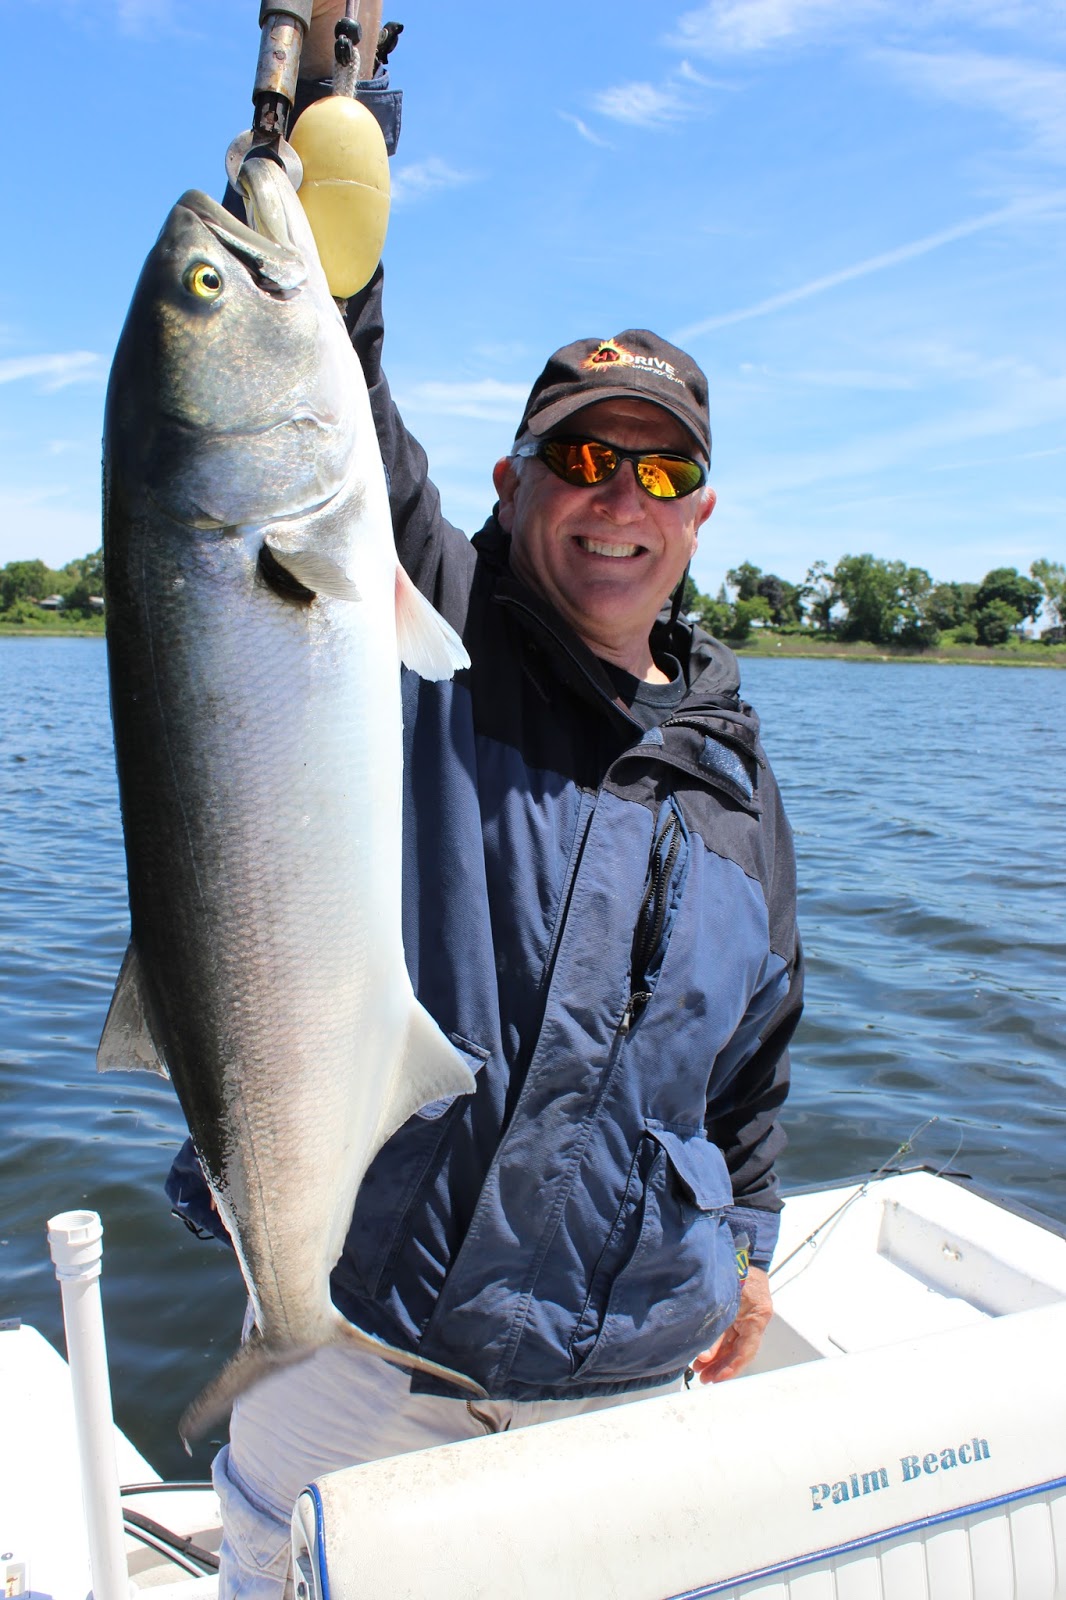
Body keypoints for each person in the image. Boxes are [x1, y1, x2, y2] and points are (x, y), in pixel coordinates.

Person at [166, 6, 803, 1592]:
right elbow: (316, 405)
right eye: (581, 461)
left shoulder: (735, 778)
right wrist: (335, 120)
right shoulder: (432, 628)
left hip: (637, 1389)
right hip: (363, 1377)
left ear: (701, 514)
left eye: (658, 476)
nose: (617, 505)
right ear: (512, 484)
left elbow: (754, 1065)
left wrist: (750, 1256)